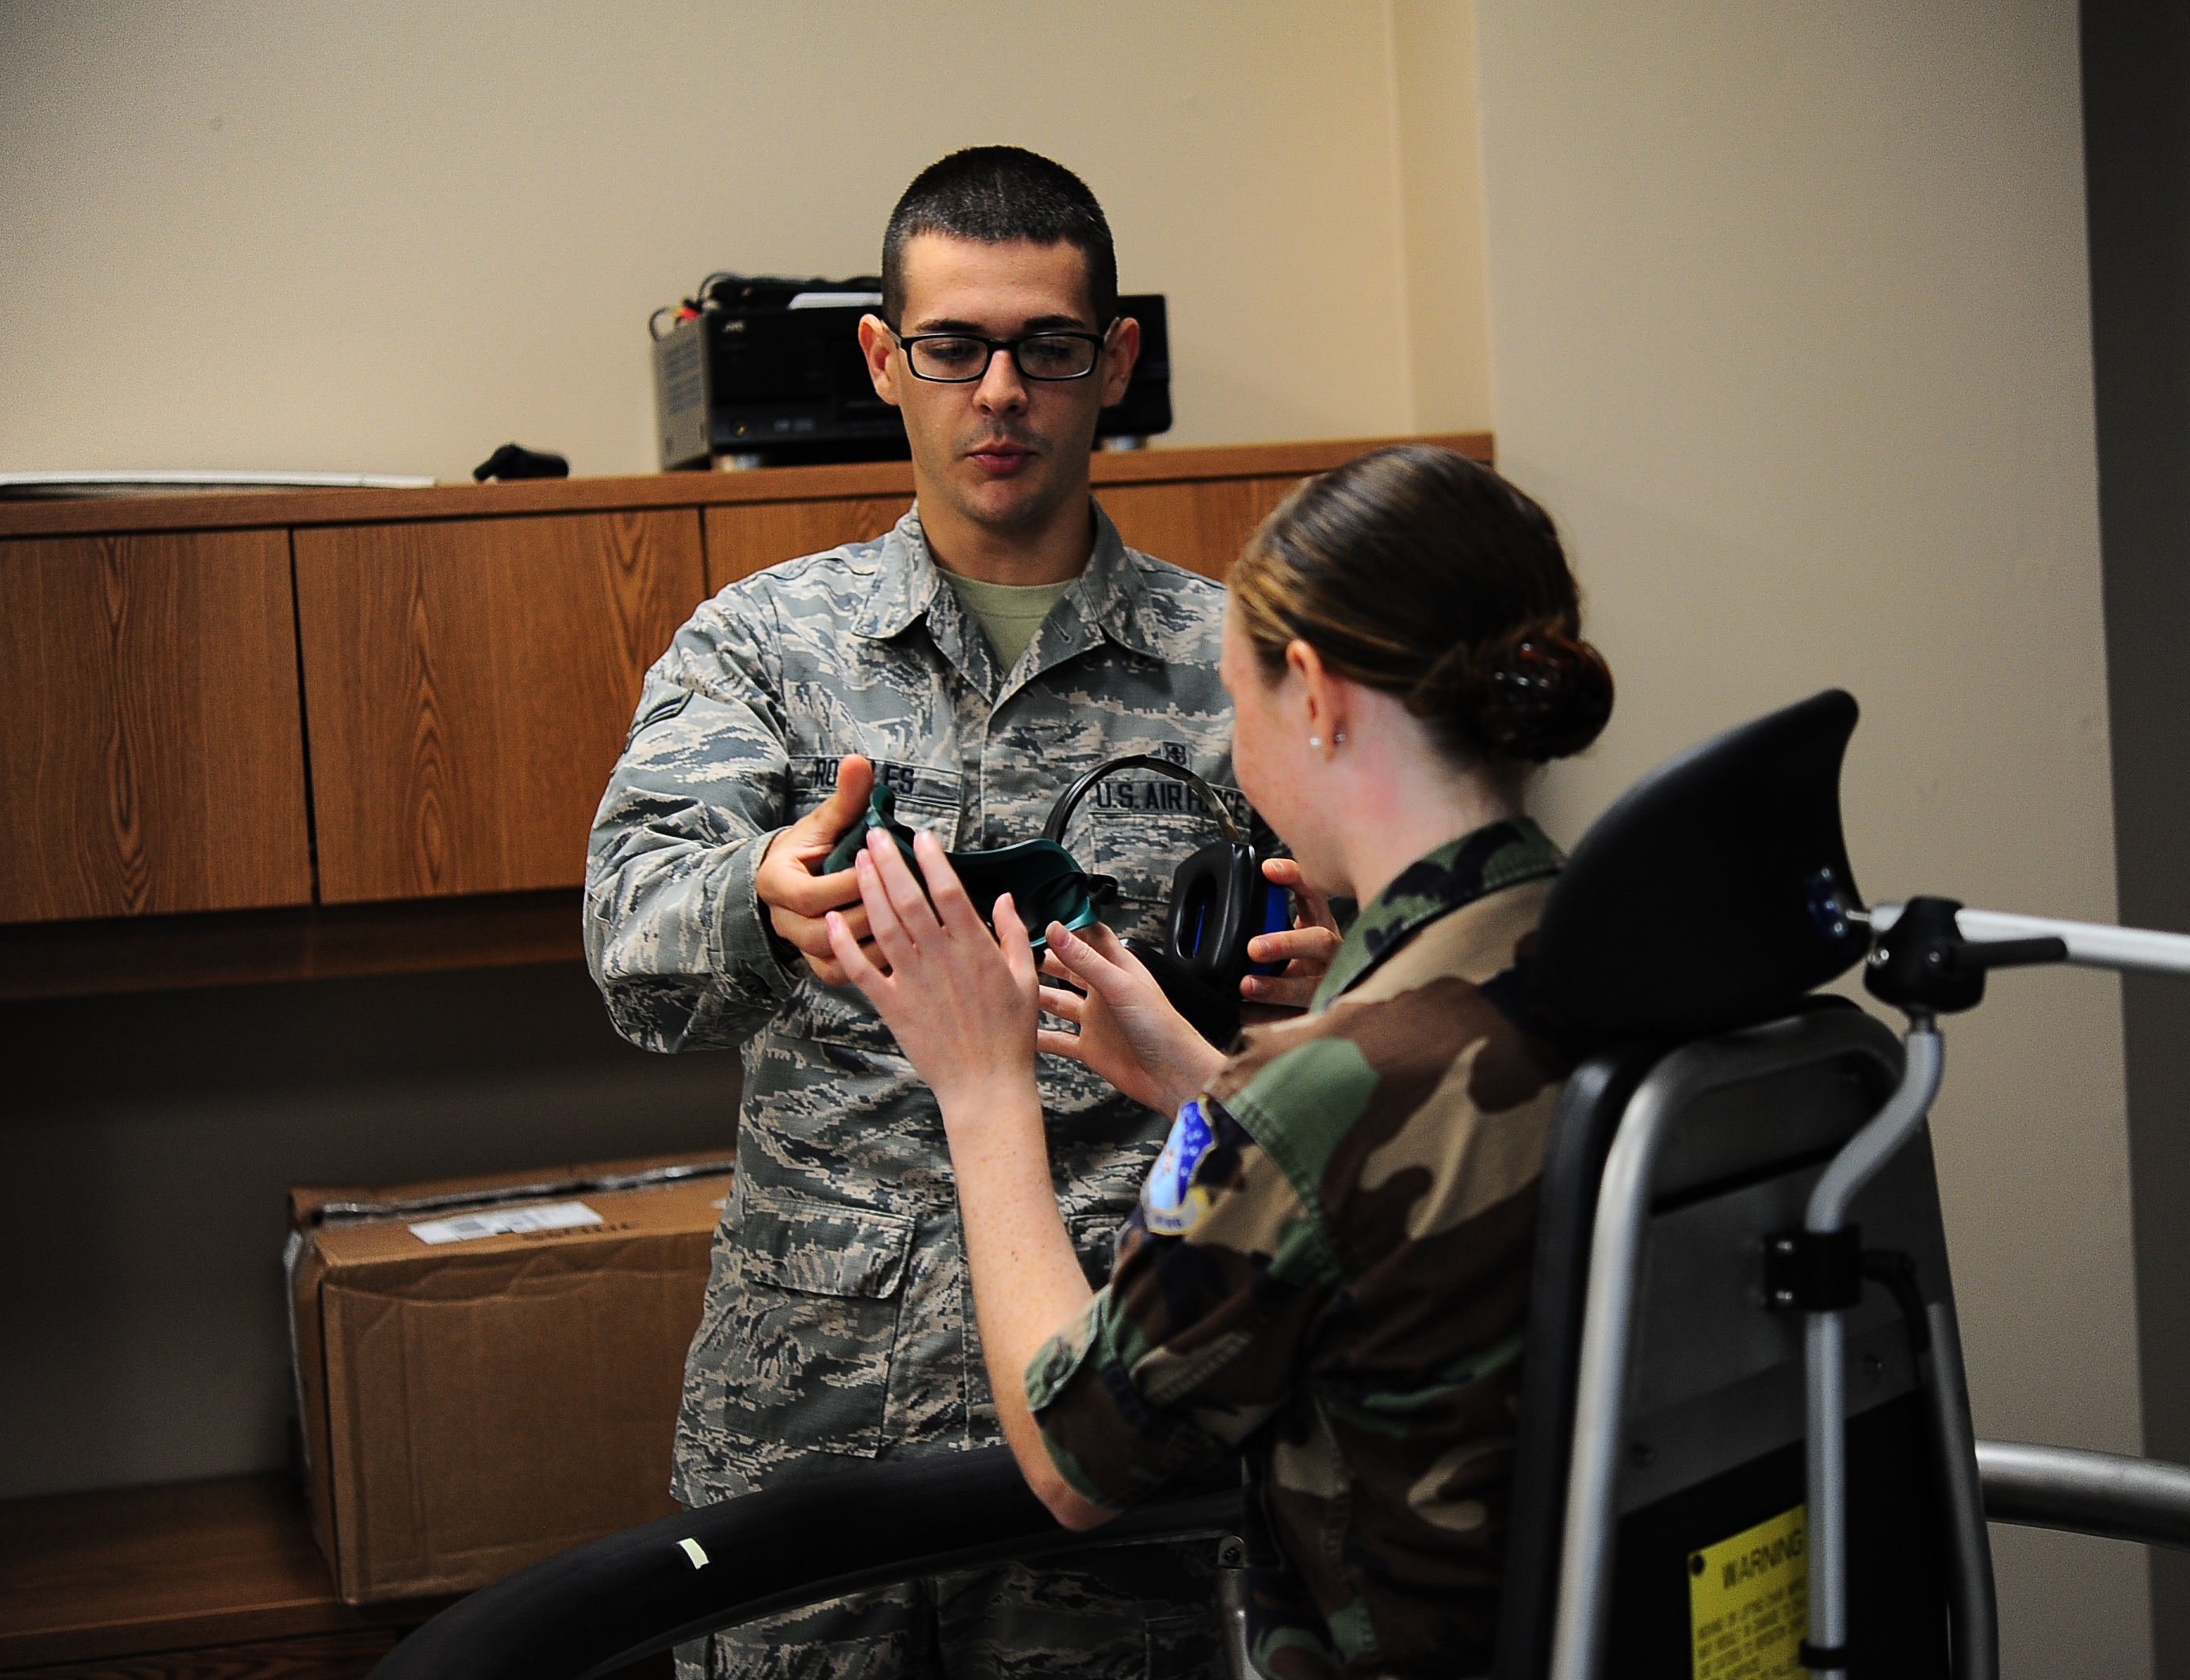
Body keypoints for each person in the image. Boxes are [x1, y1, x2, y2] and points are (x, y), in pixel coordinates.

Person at [585, 147, 1335, 1680]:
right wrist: (758, 898)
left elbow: (1368, 1033)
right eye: (954, 348)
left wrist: (1327, 998)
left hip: (1125, 1406)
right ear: (885, 359)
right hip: (809, 1421)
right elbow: (631, 958)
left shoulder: (1241, 663)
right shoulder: (763, 646)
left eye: (1047, 349)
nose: (1001, 392)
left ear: (1112, 360)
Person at [823, 445, 1616, 1680]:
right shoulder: (1613, 970)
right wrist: (1208, 1082)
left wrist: (981, 1084)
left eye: (1235, 697)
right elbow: (1420, 1208)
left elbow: (1073, 1453)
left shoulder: (1319, 1091)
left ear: (1312, 692)